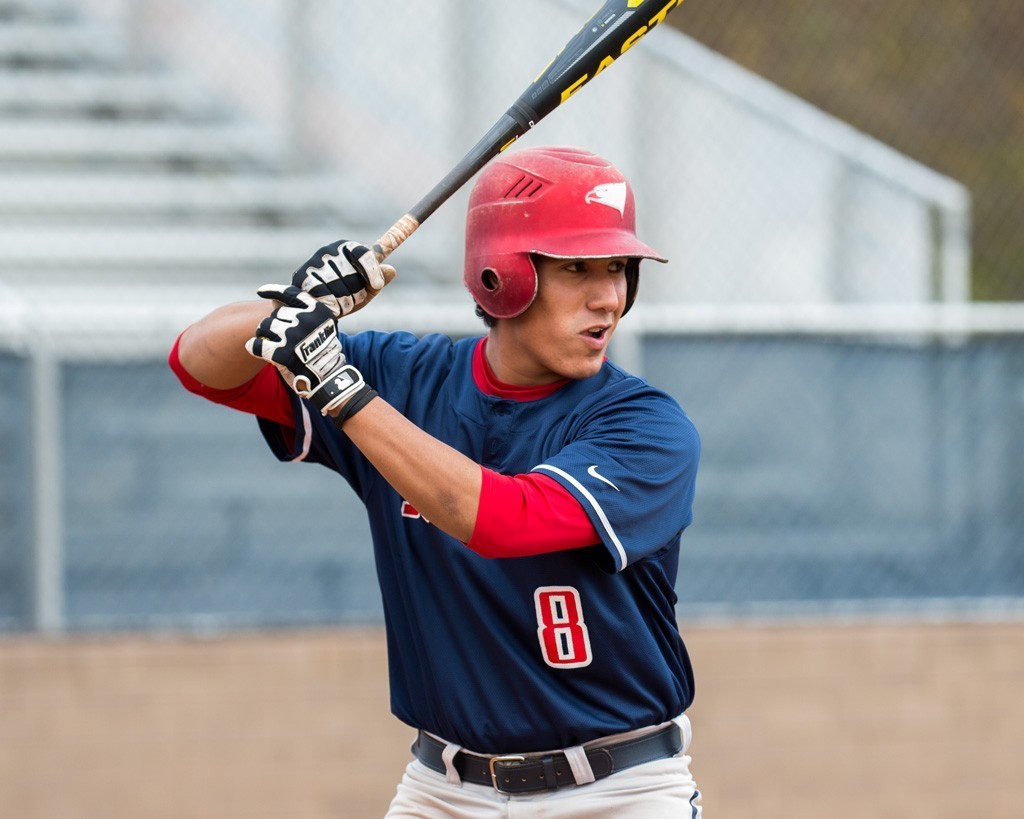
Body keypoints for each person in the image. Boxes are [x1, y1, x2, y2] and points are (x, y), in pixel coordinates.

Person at [170, 145, 702, 817]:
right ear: (501, 276)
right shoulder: (404, 378)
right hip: (443, 790)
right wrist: (297, 312)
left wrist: (339, 387)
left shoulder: (645, 425)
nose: (610, 297)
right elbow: (198, 360)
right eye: (577, 268)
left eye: (620, 269)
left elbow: (503, 519)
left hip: (617, 791)